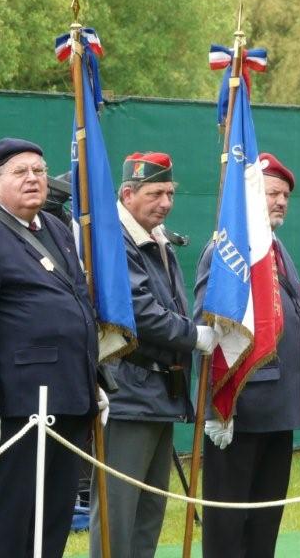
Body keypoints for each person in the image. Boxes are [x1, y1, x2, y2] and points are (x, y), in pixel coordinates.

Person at [0, 137, 104, 558]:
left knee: (51, 523)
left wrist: (93, 380)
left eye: (38, 170)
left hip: (69, 399)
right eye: (20, 172)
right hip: (19, 408)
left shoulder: (56, 227)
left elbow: (78, 306)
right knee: (10, 526)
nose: (33, 178)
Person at [195, 152, 300, 558]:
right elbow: (209, 324)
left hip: (281, 408)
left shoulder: (277, 249)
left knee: (266, 519)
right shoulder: (229, 249)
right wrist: (218, 408)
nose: (281, 201)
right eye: (272, 193)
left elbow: (277, 322)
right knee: (229, 522)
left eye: (285, 195)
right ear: (252, 196)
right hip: (241, 406)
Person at [89, 152, 219, 557]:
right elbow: (138, 311)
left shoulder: (156, 237)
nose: (165, 202)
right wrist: (193, 335)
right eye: (155, 193)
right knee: (117, 512)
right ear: (128, 194)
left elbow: (169, 302)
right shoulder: (115, 240)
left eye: (169, 193)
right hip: (128, 390)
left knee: (148, 511)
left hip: (159, 392)